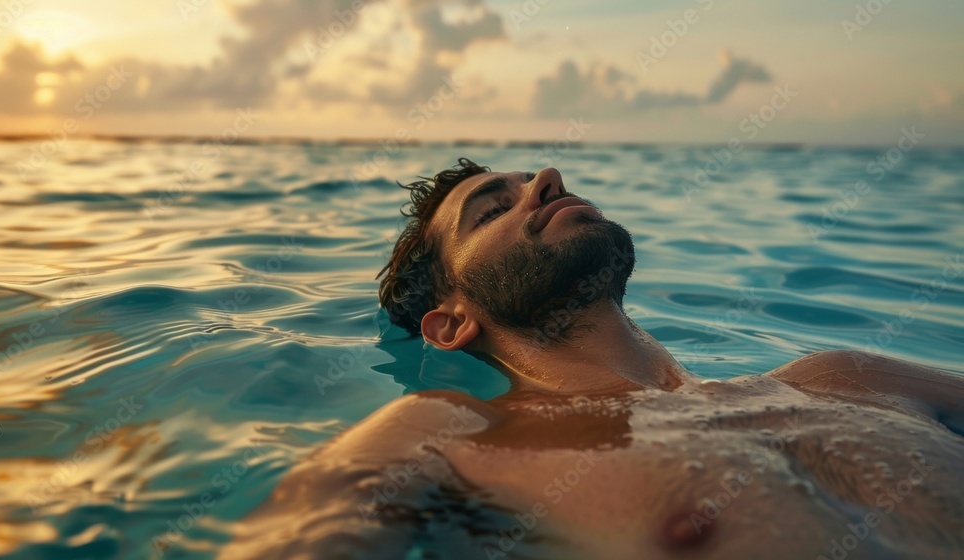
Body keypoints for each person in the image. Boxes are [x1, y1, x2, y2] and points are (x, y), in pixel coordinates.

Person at [221, 158, 964, 559]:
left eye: (536, 183)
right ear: (449, 326)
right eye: (492, 209)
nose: (547, 178)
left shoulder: (839, 377)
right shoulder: (448, 432)